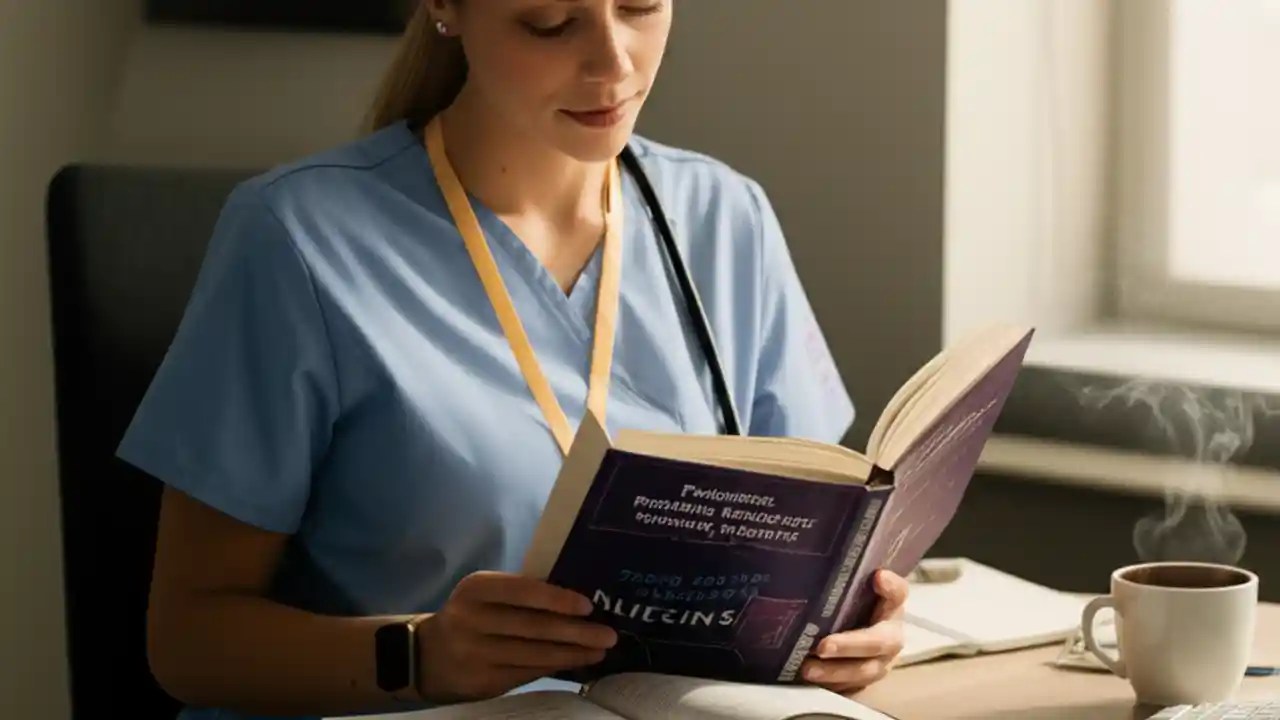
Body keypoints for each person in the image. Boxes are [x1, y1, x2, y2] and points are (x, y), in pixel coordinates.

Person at [118, 1, 910, 718]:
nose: (615, 63)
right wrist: (419, 656)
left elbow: (810, 544)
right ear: (445, 8)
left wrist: (842, 629)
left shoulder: (725, 219)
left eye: (640, 6)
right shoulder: (296, 241)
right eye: (549, 23)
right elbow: (189, 641)